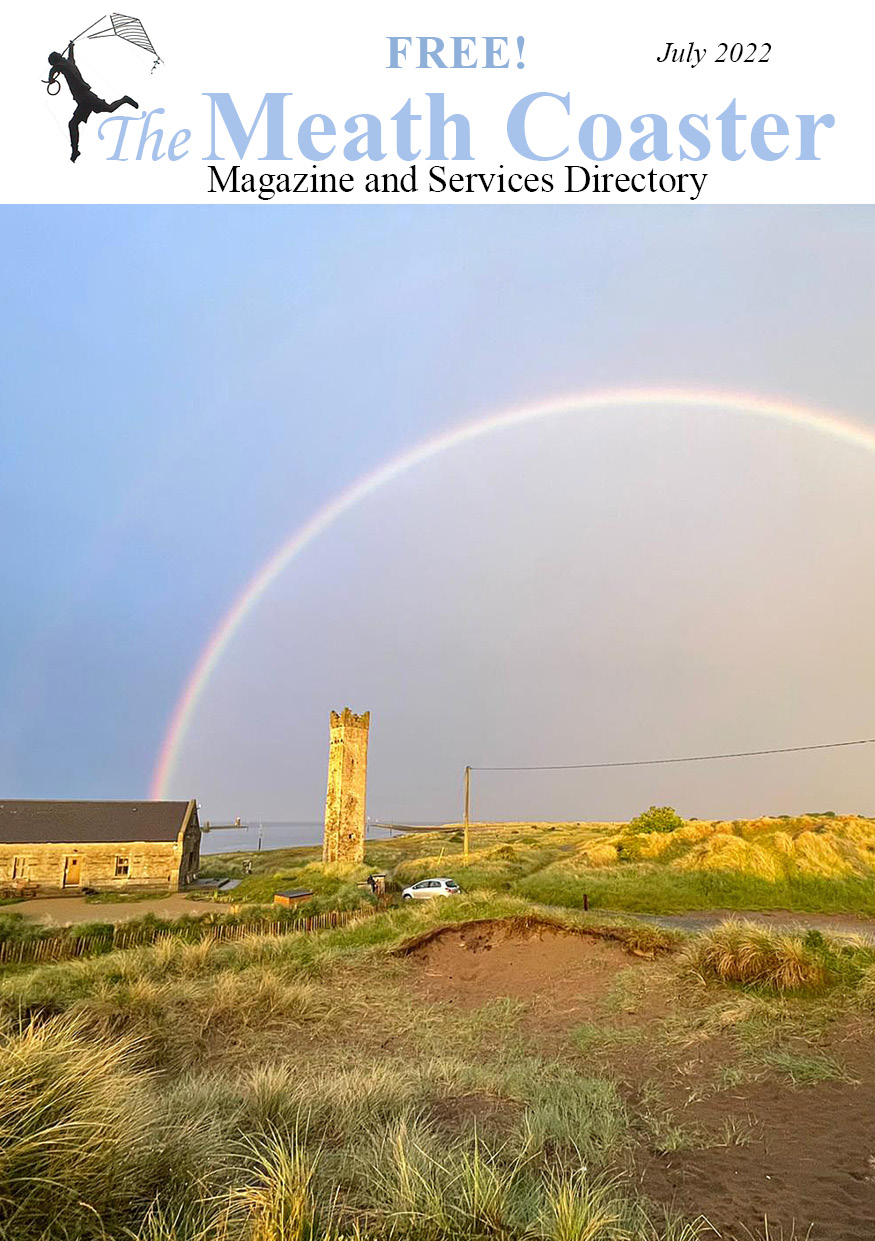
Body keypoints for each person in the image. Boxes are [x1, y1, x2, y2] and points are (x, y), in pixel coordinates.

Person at [47, 42, 139, 162]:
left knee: (108, 109)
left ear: (55, 61)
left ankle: (124, 99)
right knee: (73, 124)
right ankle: (75, 150)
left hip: (86, 98)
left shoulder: (62, 65)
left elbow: (54, 69)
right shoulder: (69, 63)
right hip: (83, 101)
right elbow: (71, 58)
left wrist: (51, 79)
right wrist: (71, 47)